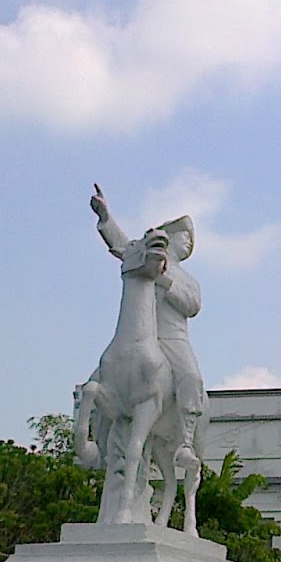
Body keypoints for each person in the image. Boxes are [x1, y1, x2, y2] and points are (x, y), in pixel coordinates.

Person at [89, 184, 205, 466]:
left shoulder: (188, 279)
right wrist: (105, 217)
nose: (188, 244)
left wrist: (164, 280)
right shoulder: (147, 258)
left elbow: (192, 306)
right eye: (183, 237)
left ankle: (185, 443)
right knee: (97, 380)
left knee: (191, 377)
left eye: (190, 241)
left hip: (173, 340)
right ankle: (95, 443)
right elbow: (122, 245)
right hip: (139, 336)